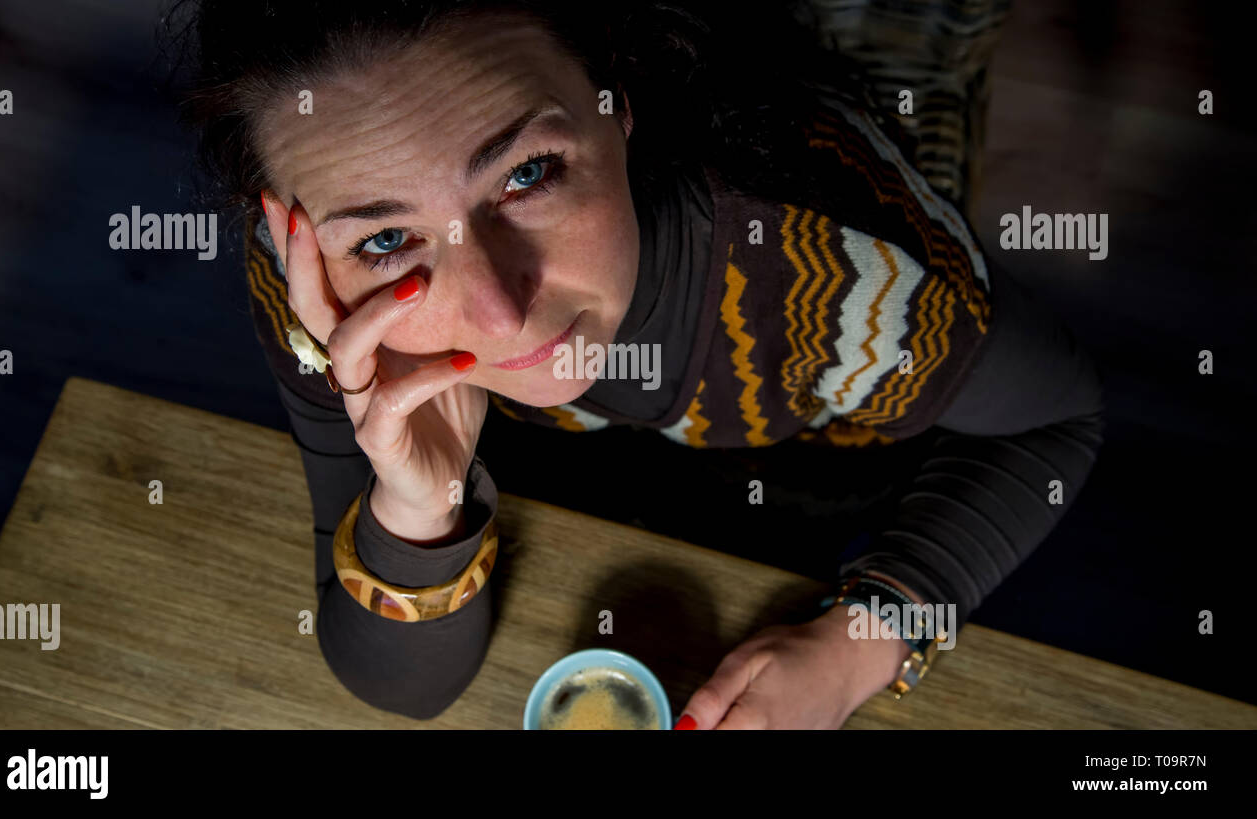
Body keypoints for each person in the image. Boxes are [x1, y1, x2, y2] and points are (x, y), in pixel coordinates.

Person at [176, 0, 1104, 728]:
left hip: (814, 490)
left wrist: (866, 642)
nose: (501, 310)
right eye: (386, 237)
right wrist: (416, 511)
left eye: (527, 173)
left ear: (617, 93)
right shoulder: (331, 306)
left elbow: (1060, 418)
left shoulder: (836, 271)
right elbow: (403, 689)